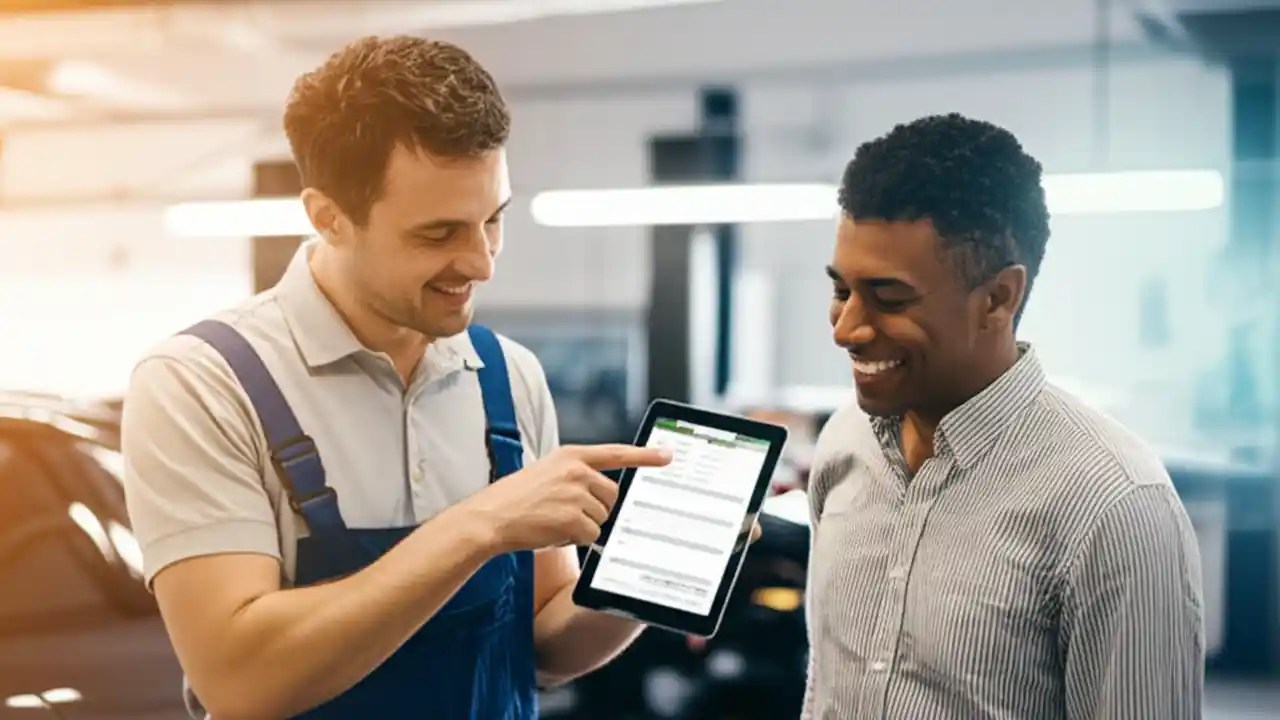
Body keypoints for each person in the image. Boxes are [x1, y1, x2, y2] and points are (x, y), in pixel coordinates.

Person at [120, 36, 672, 719]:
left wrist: (650, 577)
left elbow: (545, 646)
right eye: (438, 235)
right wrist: (483, 524)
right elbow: (243, 681)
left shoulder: (507, 377)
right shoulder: (200, 386)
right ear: (329, 218)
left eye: (492, 221)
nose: (482, 263)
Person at [802, 113, 1204, 719]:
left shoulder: (1116, 507)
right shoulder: (843, 447)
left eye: (888, 299)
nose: (846, 329)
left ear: (997, 298)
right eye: (841, 291)